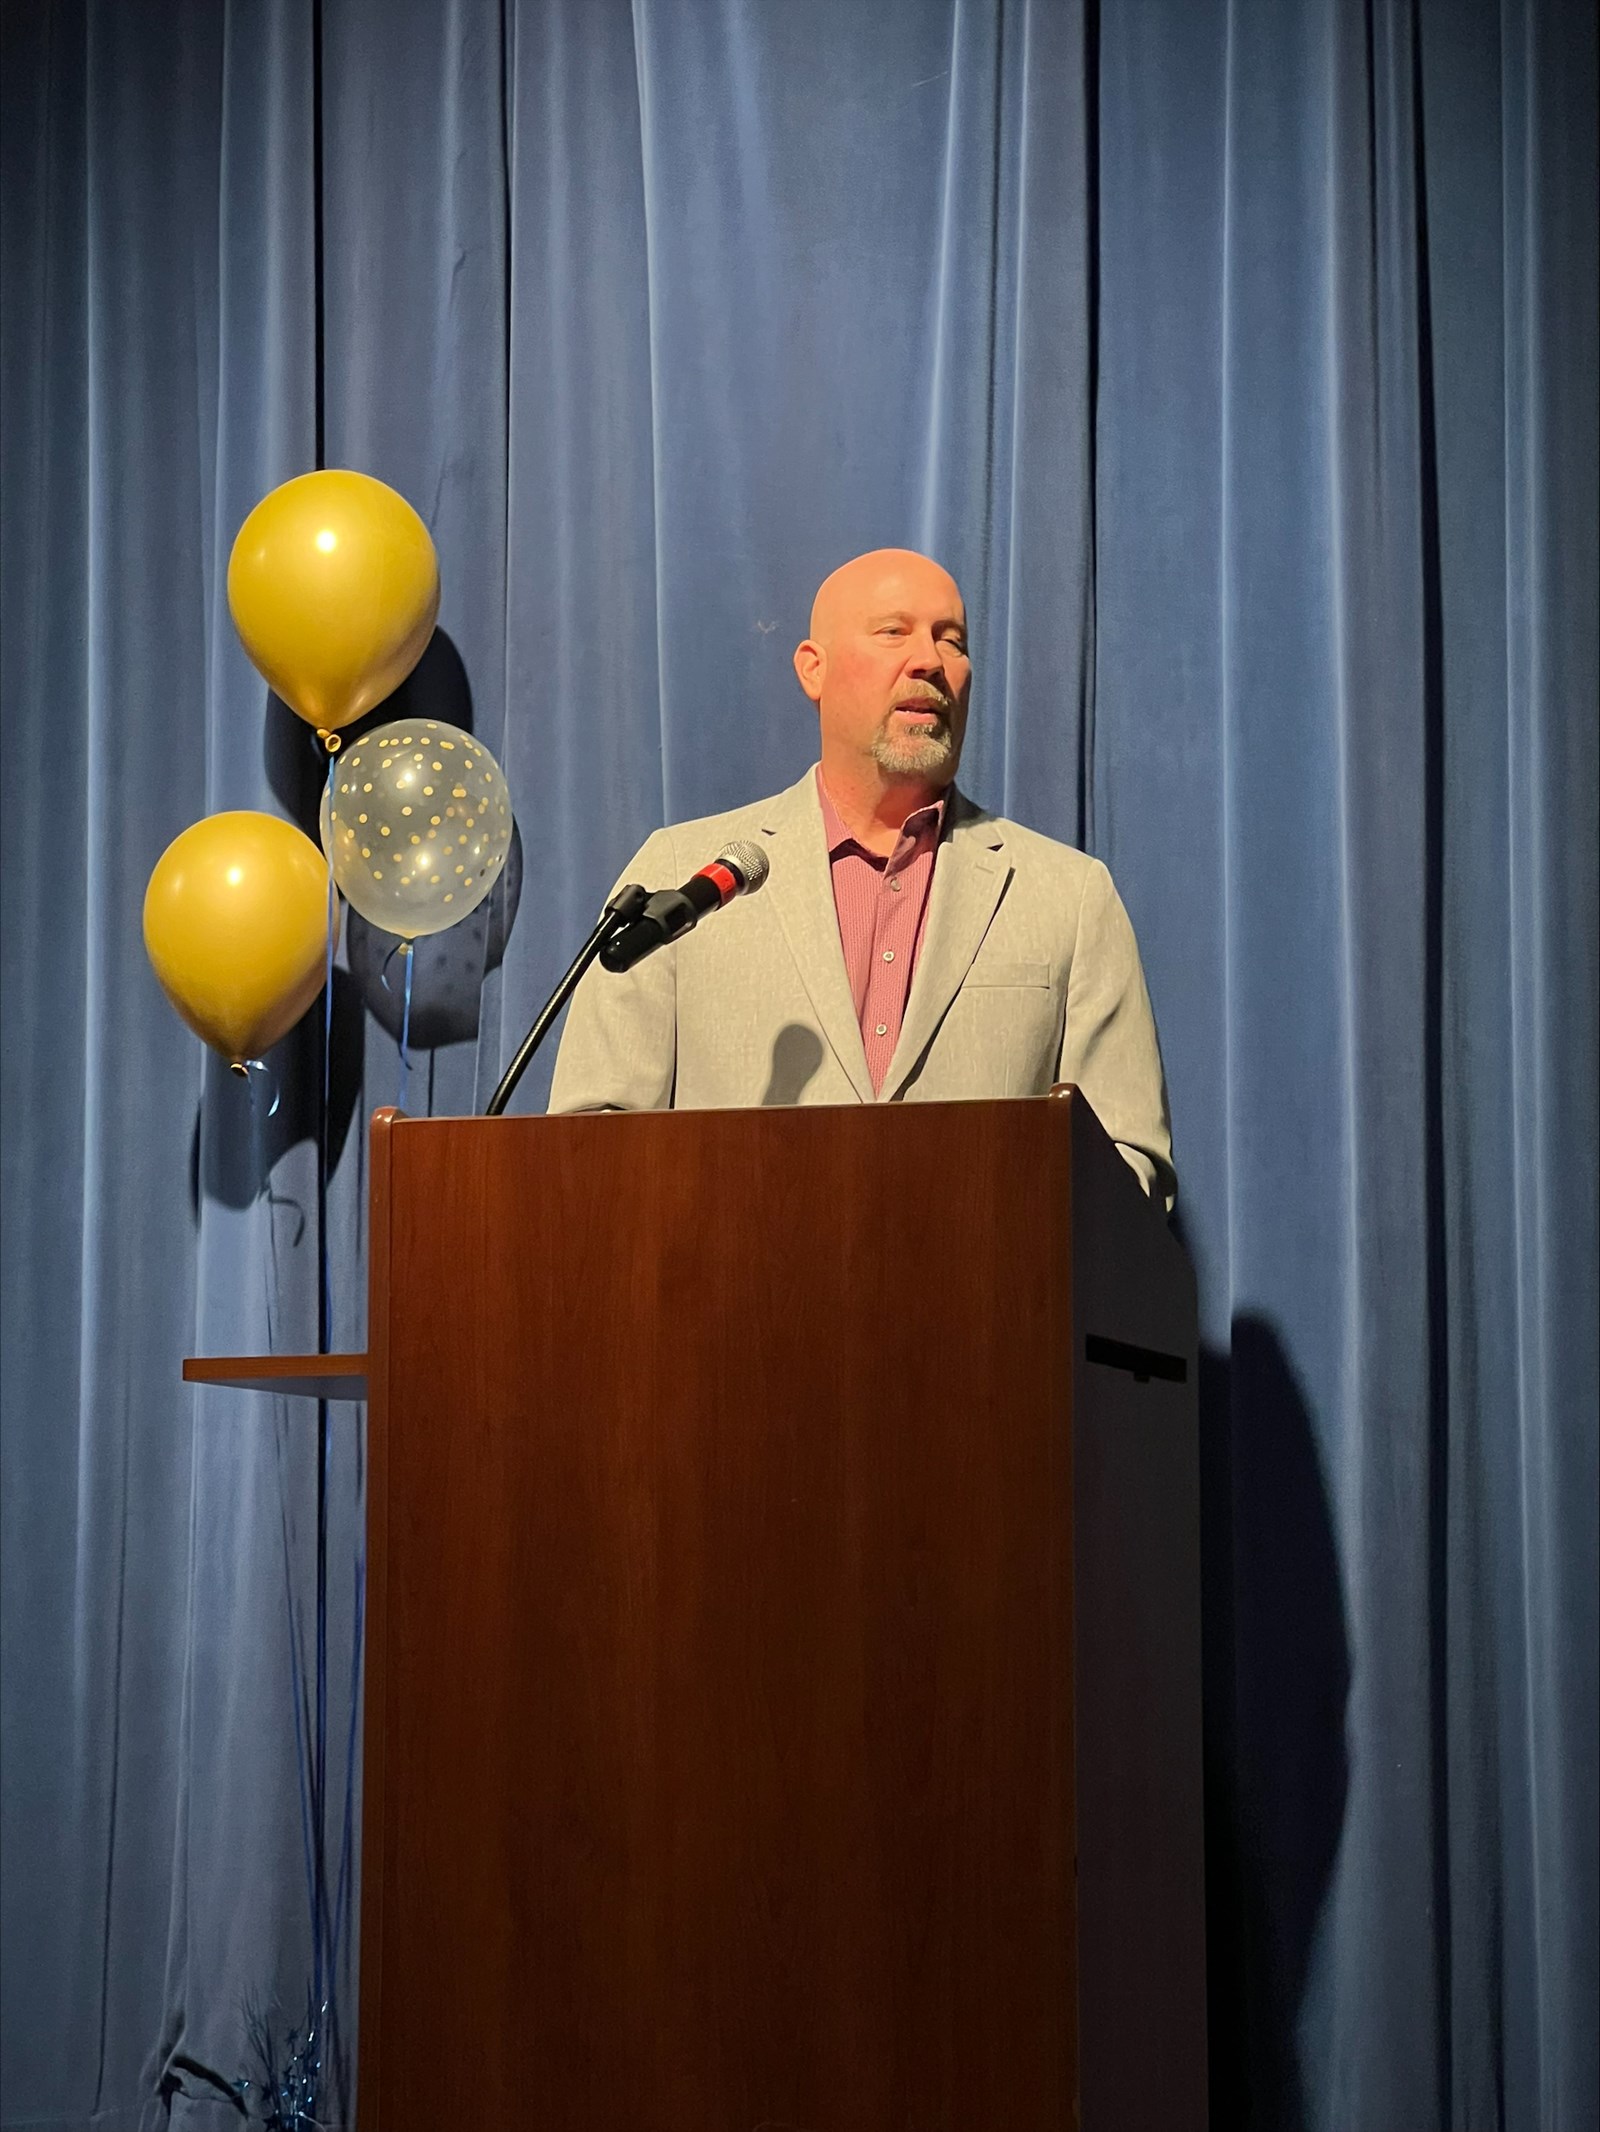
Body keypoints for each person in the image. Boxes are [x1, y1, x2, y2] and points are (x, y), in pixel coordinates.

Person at [548, 548, 1175, 1209]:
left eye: (952, 641)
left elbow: (1130, 1166)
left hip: (981, 1305)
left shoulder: (1070, 894)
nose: (930, 661)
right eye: (893, 631)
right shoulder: (680, 876)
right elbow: (593, 1139)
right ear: (812, 670)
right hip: (734, 1301)